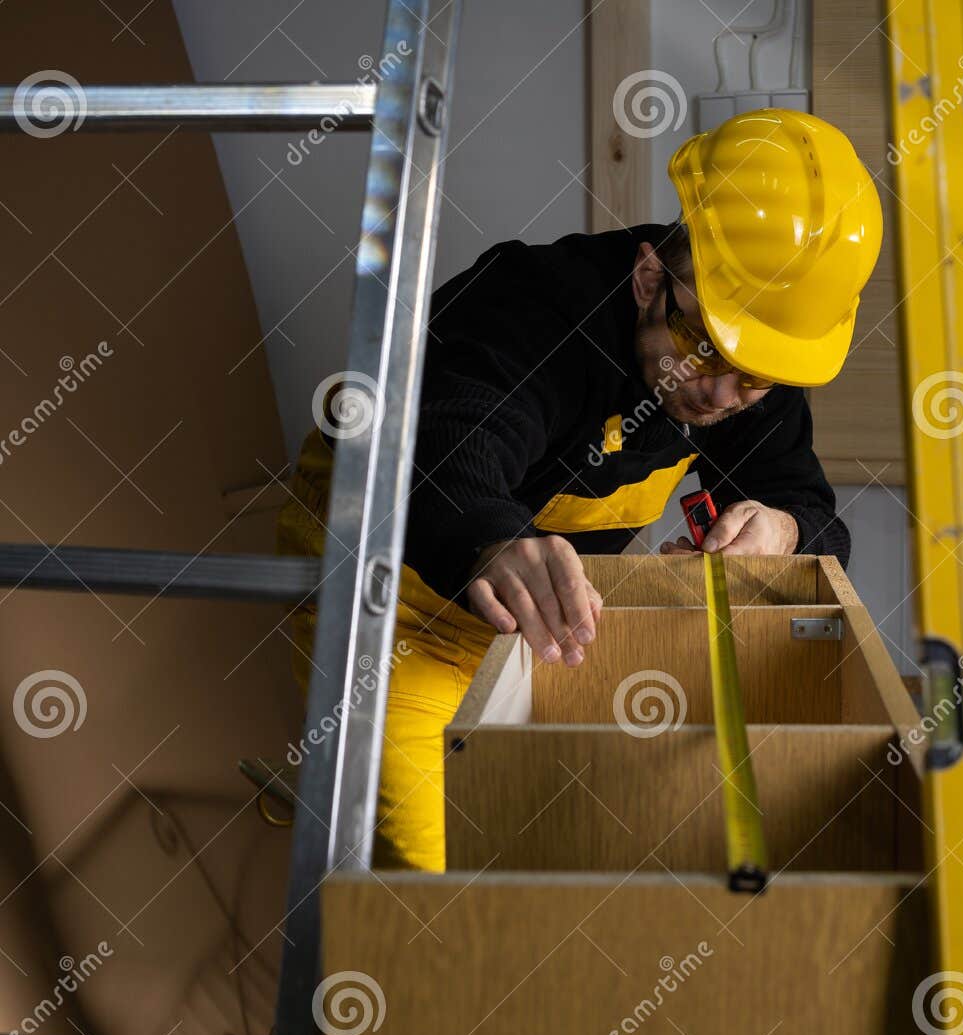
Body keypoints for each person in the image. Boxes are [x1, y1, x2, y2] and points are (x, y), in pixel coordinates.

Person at [277, 109, 882, 870]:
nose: (721, 394)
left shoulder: (747, 370)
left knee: (559, 841)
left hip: (520, 618)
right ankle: (337, 795)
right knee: (445, 878)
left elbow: (812, 509)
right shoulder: (531, 306)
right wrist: (494, 538)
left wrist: (784, 530)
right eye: (705, 351)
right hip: (386, 587)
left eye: (755, 379)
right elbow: (452, 447)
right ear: (650, 277)